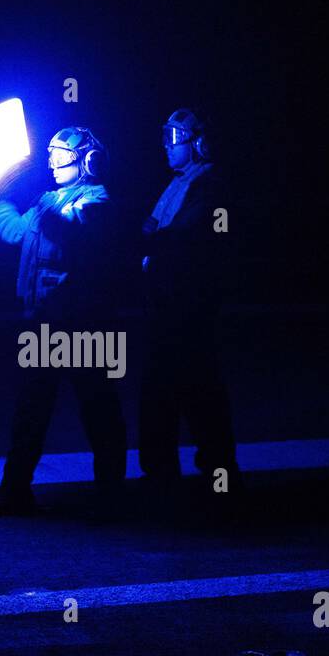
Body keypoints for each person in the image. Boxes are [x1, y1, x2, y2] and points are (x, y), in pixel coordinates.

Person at [0, 127, 128, 519]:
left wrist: (16, 189)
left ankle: (112, 495)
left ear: (89, 162)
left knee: (99, 410)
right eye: (52, 155)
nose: (53, 163)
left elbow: (71, 229)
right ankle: (15, 491)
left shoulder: (98, 203)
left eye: (63, 156)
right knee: (31, 410)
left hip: (85, 326)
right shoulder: (49, 200)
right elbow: (14, 232)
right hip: (46, 324)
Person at [138, 108, 242, 495]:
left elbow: (180, 235)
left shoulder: (210, 185)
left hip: (188, 307)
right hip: (166, 302)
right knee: (165, 391)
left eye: (174, 138)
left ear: (197, 142)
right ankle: (166, 474)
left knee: (198, 391)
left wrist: (143, 243)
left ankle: (219, 474)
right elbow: (153, 228)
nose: (166, 145)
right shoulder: (179, 183)